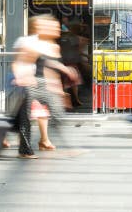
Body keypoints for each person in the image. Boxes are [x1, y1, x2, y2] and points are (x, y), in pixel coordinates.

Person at [12, 15, 79, 158]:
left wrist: (59, 87)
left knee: (57, 115)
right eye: (51, 27)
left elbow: (50, 66)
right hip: (31, 83)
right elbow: (19, 62)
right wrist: (20, 77)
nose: (56, 30)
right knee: (25, 117)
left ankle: (59, 145)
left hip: (46, 85)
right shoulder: (33, 44)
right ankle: (25, 150)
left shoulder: (54, 46)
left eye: (55, 27)